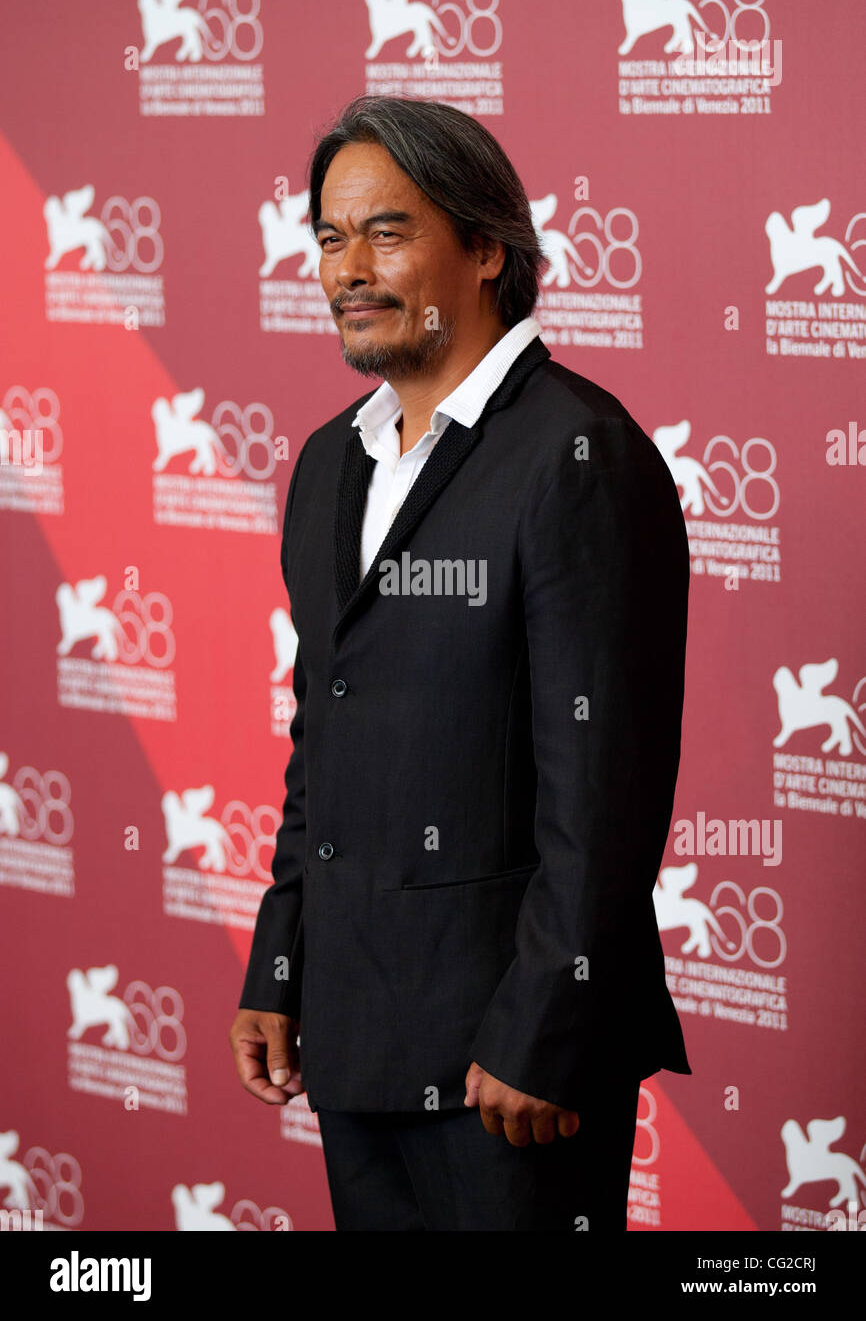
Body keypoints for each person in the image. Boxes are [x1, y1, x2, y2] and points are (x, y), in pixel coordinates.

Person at [229, 94, 691, 1232]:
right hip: (353, 1032)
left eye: (386, 232)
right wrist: (280, 960)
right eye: (331, 239)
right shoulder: (328, 466)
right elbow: (321, 739)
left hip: (508, 1069)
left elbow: (604, 789)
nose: (348, 268)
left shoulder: (576, 454)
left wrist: (547, 1025)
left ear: (486, 248)